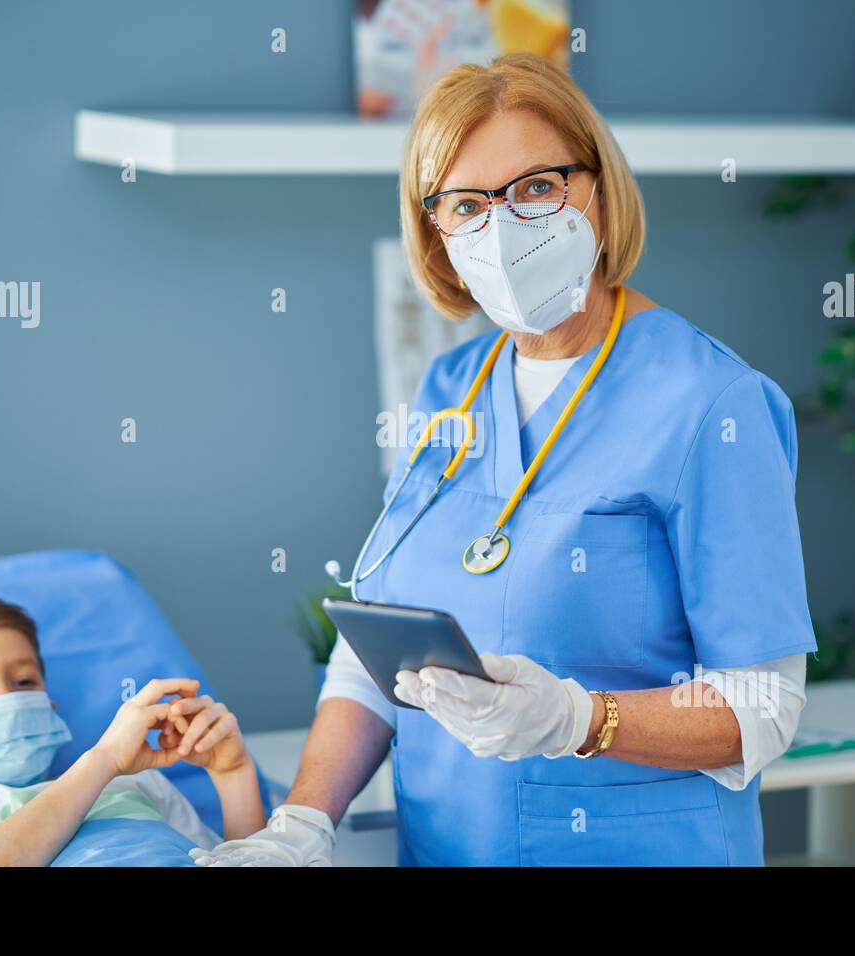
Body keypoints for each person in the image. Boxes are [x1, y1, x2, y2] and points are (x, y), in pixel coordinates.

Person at [198, 52, 817, 867]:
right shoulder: (451, 388)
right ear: (437, 230)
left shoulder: (712, 404)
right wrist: (304, 823)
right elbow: (372, 651)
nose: (503, 224)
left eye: (536, 186)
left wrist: (579, 720)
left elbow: (763, 709)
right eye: (466, 203)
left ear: (597, 186)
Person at [0, 596, 263, 866]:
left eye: (24, 683)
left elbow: (240, 862)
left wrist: (232, 776)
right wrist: (103, 760)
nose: (9, 702)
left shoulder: (135, 784)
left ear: (49, 708)